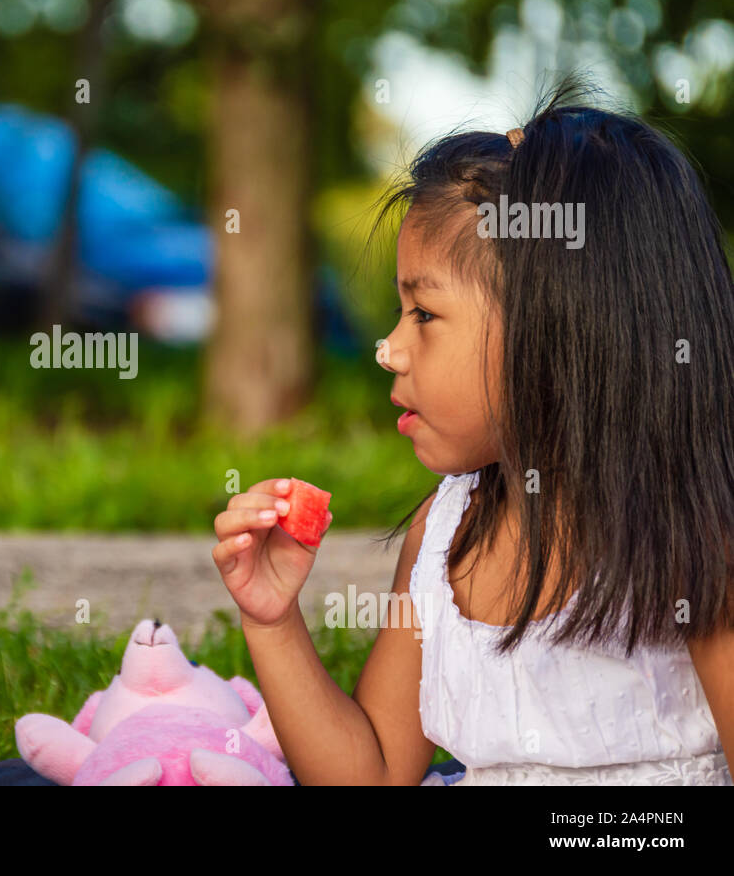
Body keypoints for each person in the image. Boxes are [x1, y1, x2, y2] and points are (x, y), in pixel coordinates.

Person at [211, 80, 734, 785]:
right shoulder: (446, 534)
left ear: (560, 327)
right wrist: (273, 621)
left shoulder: (696, 545)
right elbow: (371, 776)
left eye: (423, 314)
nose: (388, 349)